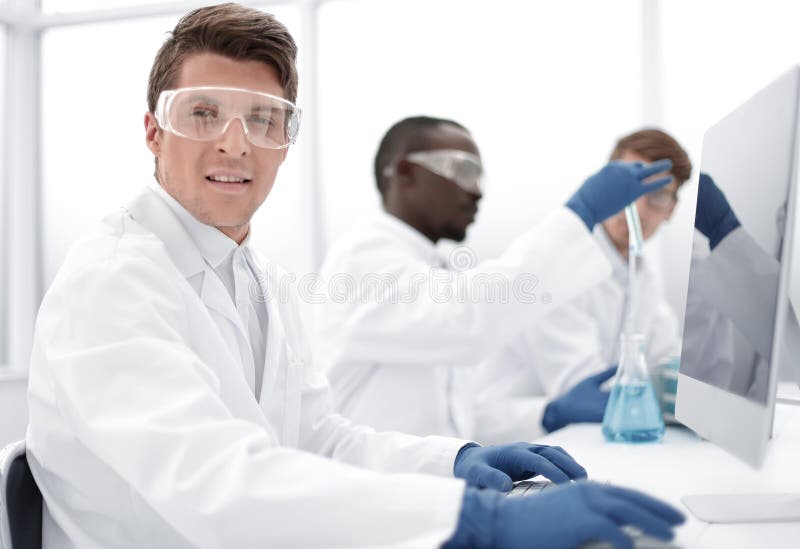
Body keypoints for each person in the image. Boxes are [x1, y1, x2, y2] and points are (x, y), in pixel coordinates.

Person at [24, 4, 684, 548]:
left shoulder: (256, 277)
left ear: (286, 139)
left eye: (263, 118)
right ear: (152, 131)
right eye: (203, 113)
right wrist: (476, 520)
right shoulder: (112, 282)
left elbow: (320, 439)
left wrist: (452, 461)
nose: (235, 142)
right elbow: (217, 486)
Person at [313, 118, 675, 440]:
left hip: (421, 483)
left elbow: (456, 419)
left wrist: (546, 414)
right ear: (405, 172)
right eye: (464, 170)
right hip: (377, 493)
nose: (477, 191)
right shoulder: (363, 260)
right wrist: (580, 215)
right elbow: (468, 319)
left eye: (480, 176)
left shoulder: (430, 267)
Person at [474, 129, 692, 444]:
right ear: (608, 188)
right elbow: (582, 387)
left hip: (576, 440)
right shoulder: (560, 266)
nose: (638, 209)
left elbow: (665, 358)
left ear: (671, 210)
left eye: (657, 197)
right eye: (630, 189)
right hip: (507, 444)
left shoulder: (641, 274)